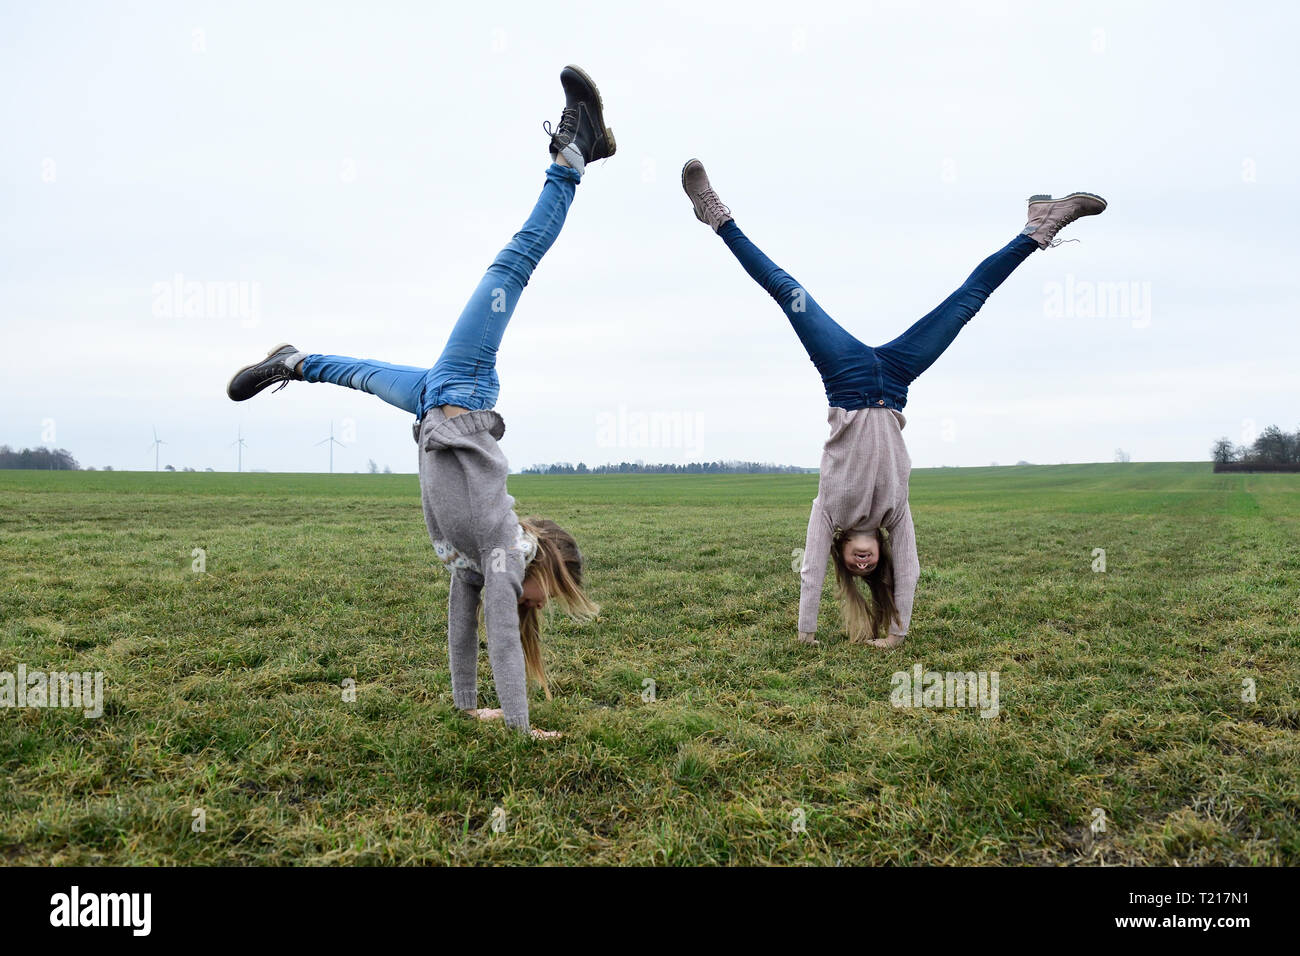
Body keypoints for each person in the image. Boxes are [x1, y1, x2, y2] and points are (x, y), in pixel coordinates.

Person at [226, 66, 615, 735]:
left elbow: (465, 629)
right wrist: (523, 729)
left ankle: (292, 361)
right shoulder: (501, 553)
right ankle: (576, 156)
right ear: (549, 563)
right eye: (550, 596)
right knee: (511, 268)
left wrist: (472, 708)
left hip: (433, 410)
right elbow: (497, 628)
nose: (539, 607)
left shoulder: (479, 567)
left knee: (356, 374)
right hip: (461, 398)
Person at [680, 158, 1106, 648]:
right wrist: (898, 633)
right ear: (878, 554)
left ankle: (717, 217)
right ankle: (1039, 226)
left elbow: (810, 574)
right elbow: (912, 569)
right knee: (969, 300)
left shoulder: (827, 514)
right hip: (897, 379)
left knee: (786, 289)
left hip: (846, 378)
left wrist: (807, 632)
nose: (863, 564)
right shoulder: (894, 515)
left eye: (852, 564)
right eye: (871, 565)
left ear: (841, 553)